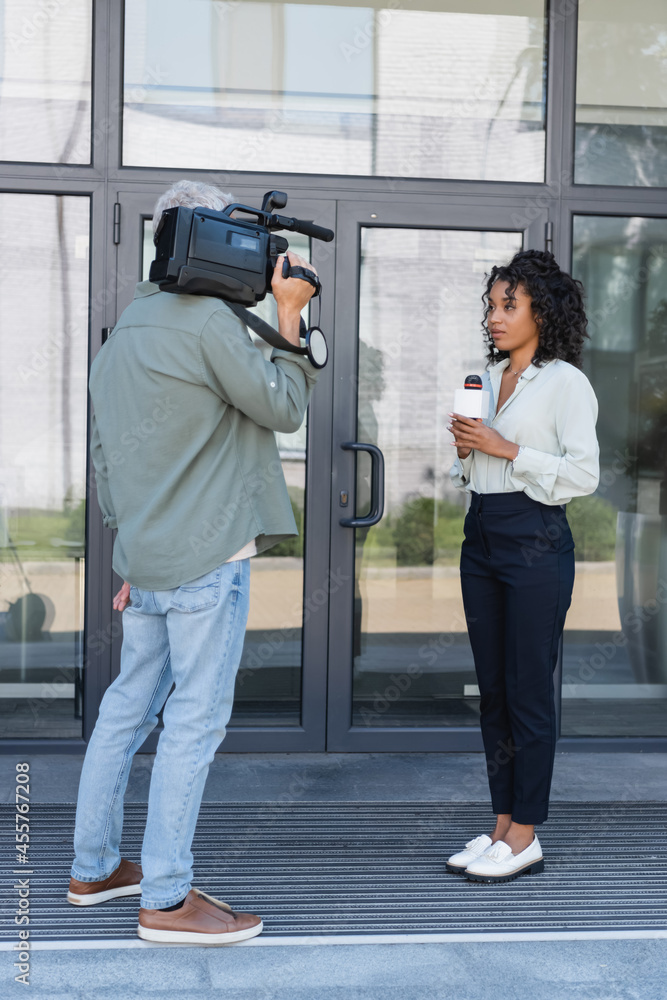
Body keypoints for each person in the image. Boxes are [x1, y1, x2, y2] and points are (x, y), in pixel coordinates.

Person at [67, 180, 320, 944]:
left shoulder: (125, 330)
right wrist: (288, 317)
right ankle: (167, 898)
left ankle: (95, 868)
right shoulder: (212, 323)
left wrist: (130, 553)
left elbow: (108, 465)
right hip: (208, 558)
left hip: (145, 561)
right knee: (192, 724)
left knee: (124, 711)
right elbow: (281, 408)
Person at [446, 249, 599, 884]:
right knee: (494, 692)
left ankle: (528, 832)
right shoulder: (487, 375)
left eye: (511, 304)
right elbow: (479, 464)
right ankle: (502, 823)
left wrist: (507, 448)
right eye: (493, 305)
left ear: (544, 309)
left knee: (529, 690)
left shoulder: (566, 382)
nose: (497, 315)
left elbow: (584, 474)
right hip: (481, 532)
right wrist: (469, 451)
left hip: (535, 537)